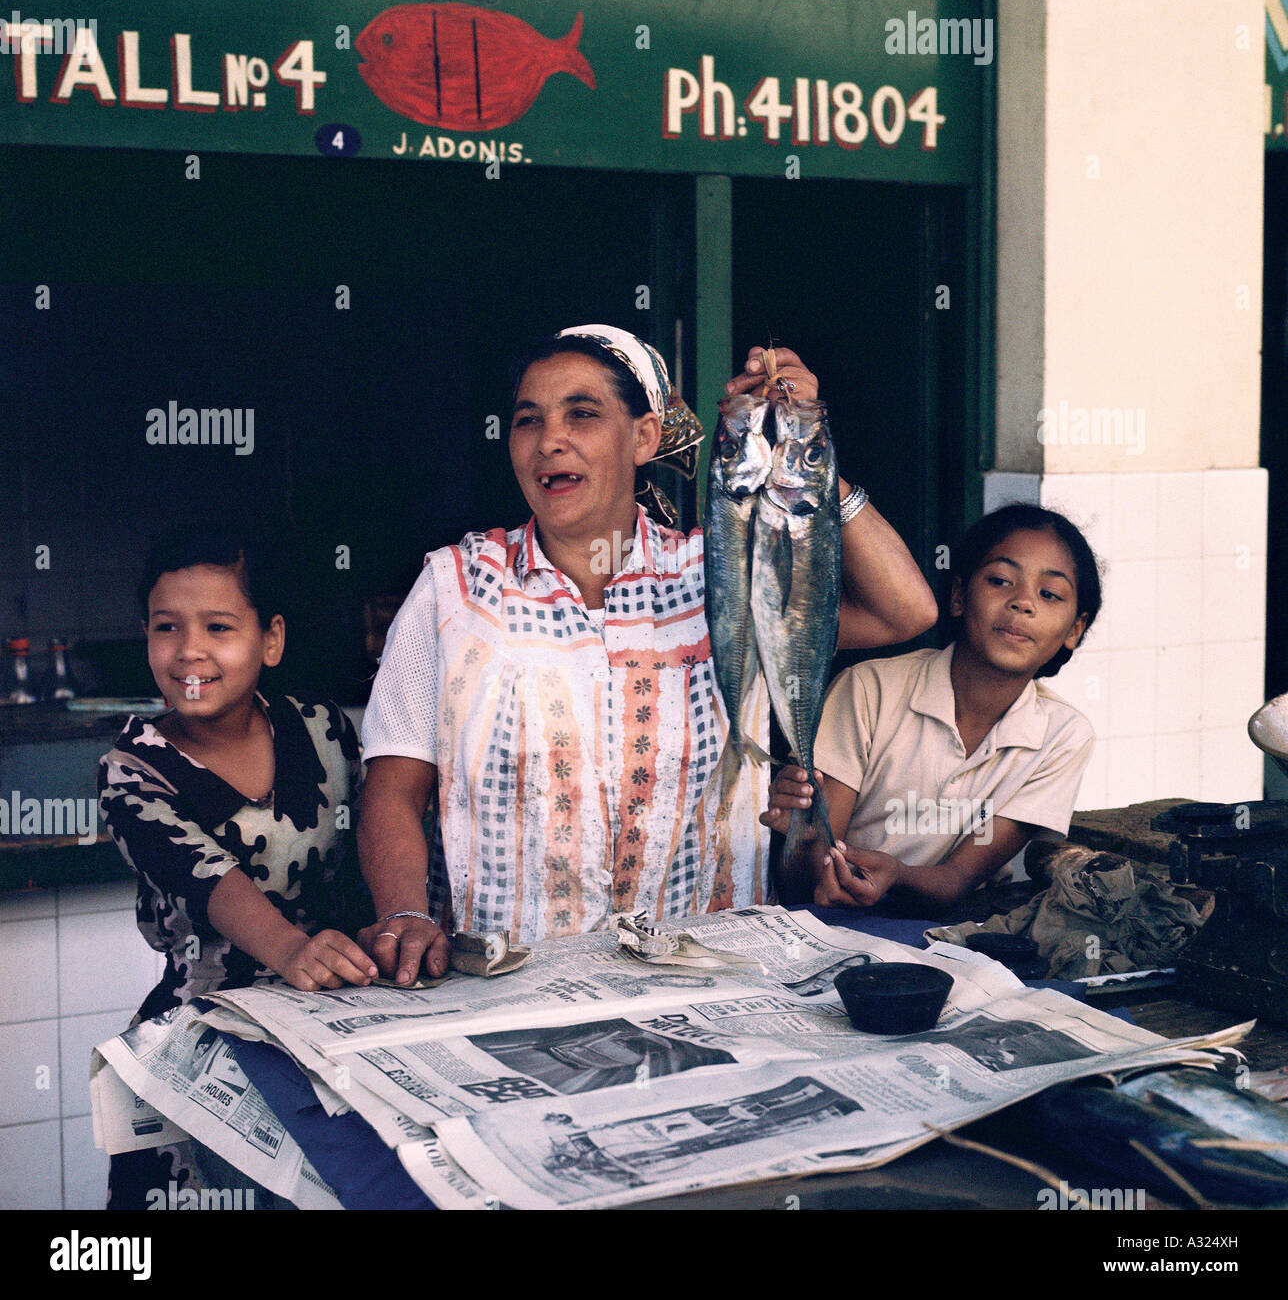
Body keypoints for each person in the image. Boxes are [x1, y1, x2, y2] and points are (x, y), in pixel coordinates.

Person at [358, 325, 937, 983]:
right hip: (507, 983)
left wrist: (807, 445)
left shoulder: (716, 577)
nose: (550, 440)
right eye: (529, 421)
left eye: (581, 414)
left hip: (703, 976)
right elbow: (394, 787)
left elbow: (904, 611)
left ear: (642, 438)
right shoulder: (456, 590)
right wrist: (404, 912)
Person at [98, 523, 375, 1207]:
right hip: (203, 1034)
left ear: (270, 639)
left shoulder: (324, 729)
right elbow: (207, 879)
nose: (189, 650)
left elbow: (371, 851)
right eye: (167, 628)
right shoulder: (132, 768)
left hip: (333, 1021)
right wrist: (291, 949)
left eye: (218, 626)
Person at [765, 503, 1101, 909]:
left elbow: (959, 878)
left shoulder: (1062, 735)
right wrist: (803, 840)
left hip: (953, 928)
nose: (1023, 603)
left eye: (1049, 594)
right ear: (958, 595)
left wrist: (897, 875)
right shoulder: (869, 689)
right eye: (1000, 580)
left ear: (1075, 629)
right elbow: (810, 874)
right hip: (834, 918)